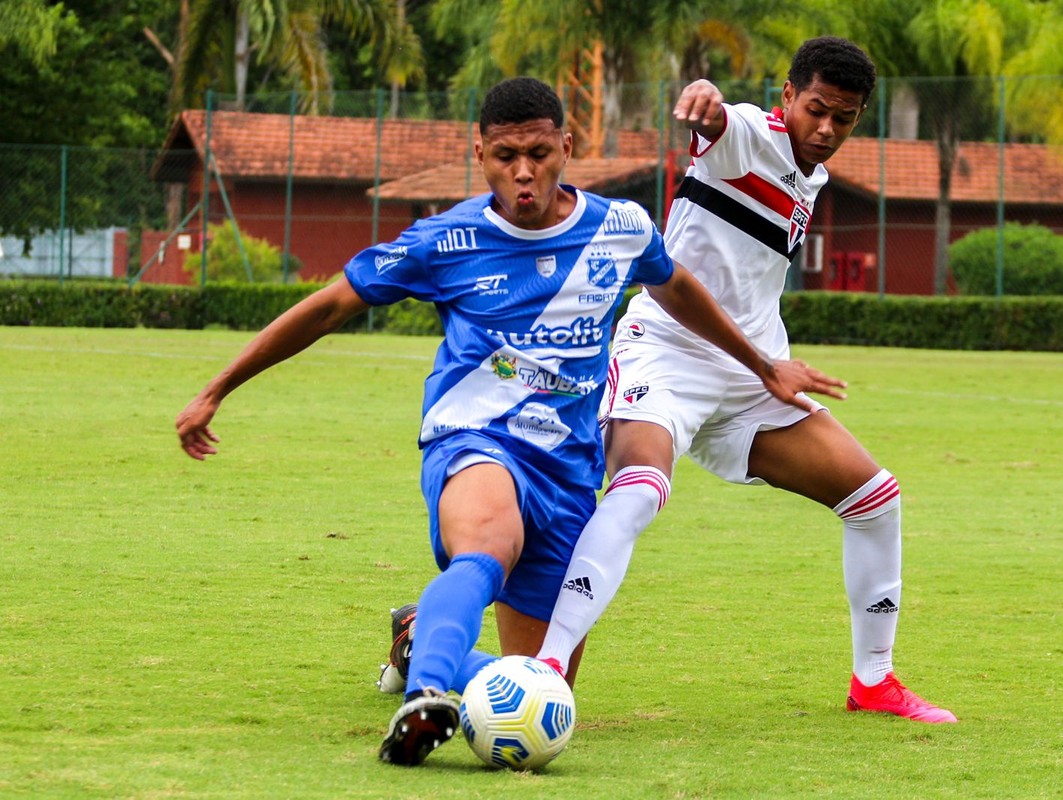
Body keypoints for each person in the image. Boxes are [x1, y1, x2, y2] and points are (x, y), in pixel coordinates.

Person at [176, 76, 845, 768]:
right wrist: (218, 387)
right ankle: (428, 693)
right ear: (480, 154)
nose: (522, 172)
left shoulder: (621, 229)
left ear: (567, 145)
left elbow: (674, 285)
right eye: (503, 156)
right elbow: (327, 307)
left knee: (538, 687)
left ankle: (421, 635)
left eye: (537, 152)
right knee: (490, 542)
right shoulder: (449, 238)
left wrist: (764, 366)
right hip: (476, 441)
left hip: (567, 473)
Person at [533, 37, 957, 723]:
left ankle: (873, 682)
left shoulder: (810, 176)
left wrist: (765, 365)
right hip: (665, 354)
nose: (826, 129)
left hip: (755, 380)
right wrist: (704, 101)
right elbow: (715, 123)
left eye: (844, 119)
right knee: (640, 491)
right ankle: (546, 669)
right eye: (815, 109)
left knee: (875, 498)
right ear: (785, 95)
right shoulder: (749, 137)